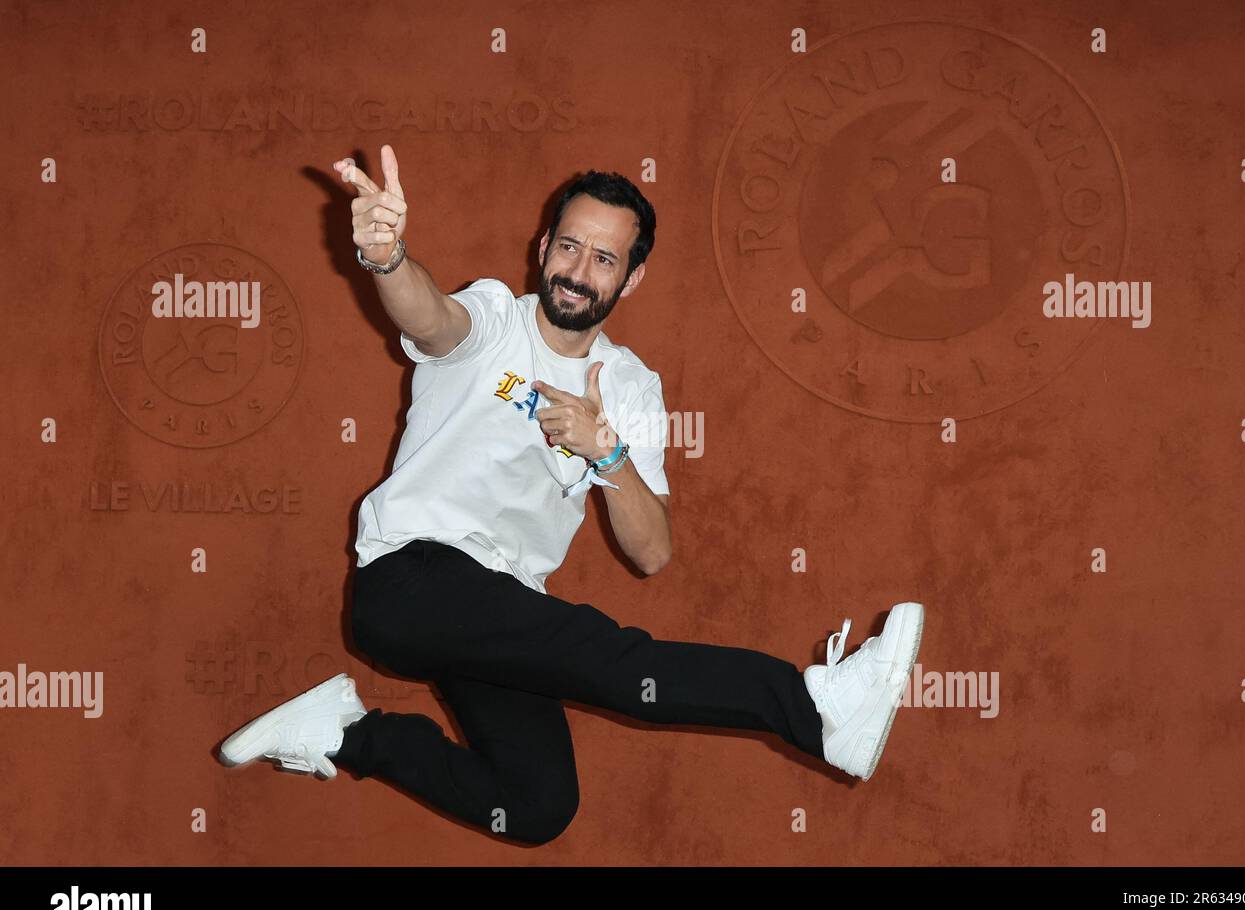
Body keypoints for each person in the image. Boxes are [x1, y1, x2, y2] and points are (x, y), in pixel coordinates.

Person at [218, 145, 925, 845]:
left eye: (604, 259)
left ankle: (344, 733)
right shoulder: (496, 318)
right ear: (542, 246)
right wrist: (387, 257)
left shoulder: (630, 387)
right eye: (570, 246)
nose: (579, 272)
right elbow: (430, 318)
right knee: (622, 665)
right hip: (409, 581)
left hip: (494, 609)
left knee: (536, 804)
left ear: (633, 277)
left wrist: (608, 453)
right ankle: (815, 706)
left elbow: (651, 553)